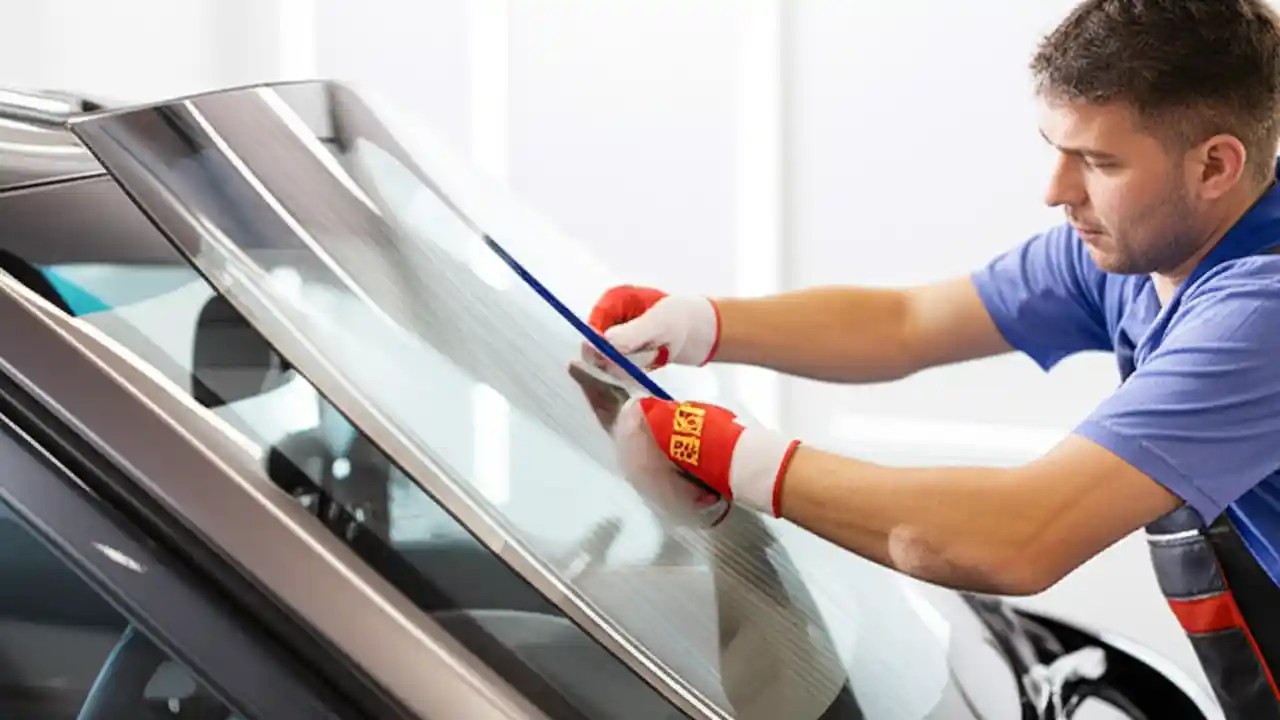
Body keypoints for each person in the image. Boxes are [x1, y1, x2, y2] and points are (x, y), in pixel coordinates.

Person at [586, 1, 1280, 716]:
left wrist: (737, 459)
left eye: (1099, 163)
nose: (1056, 192)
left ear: (1215, 166)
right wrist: (702, 324)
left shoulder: (1260, 315)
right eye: (1056, 150)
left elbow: (1016, 537)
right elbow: (906, 324)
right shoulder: (1140, 257)